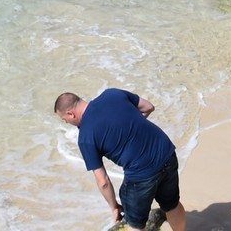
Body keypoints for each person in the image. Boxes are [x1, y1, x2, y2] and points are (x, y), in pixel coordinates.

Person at [53, 89, 185, 231]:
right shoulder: (112, 94)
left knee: (134, 224)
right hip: (166, 152)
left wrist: (114, 206)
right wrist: (130, 128)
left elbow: (103, 181)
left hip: (141, 174)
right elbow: (148, 107)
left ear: (70, 114)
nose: (67, 123)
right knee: (171, 205)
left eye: (65, 120)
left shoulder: (86, 137)